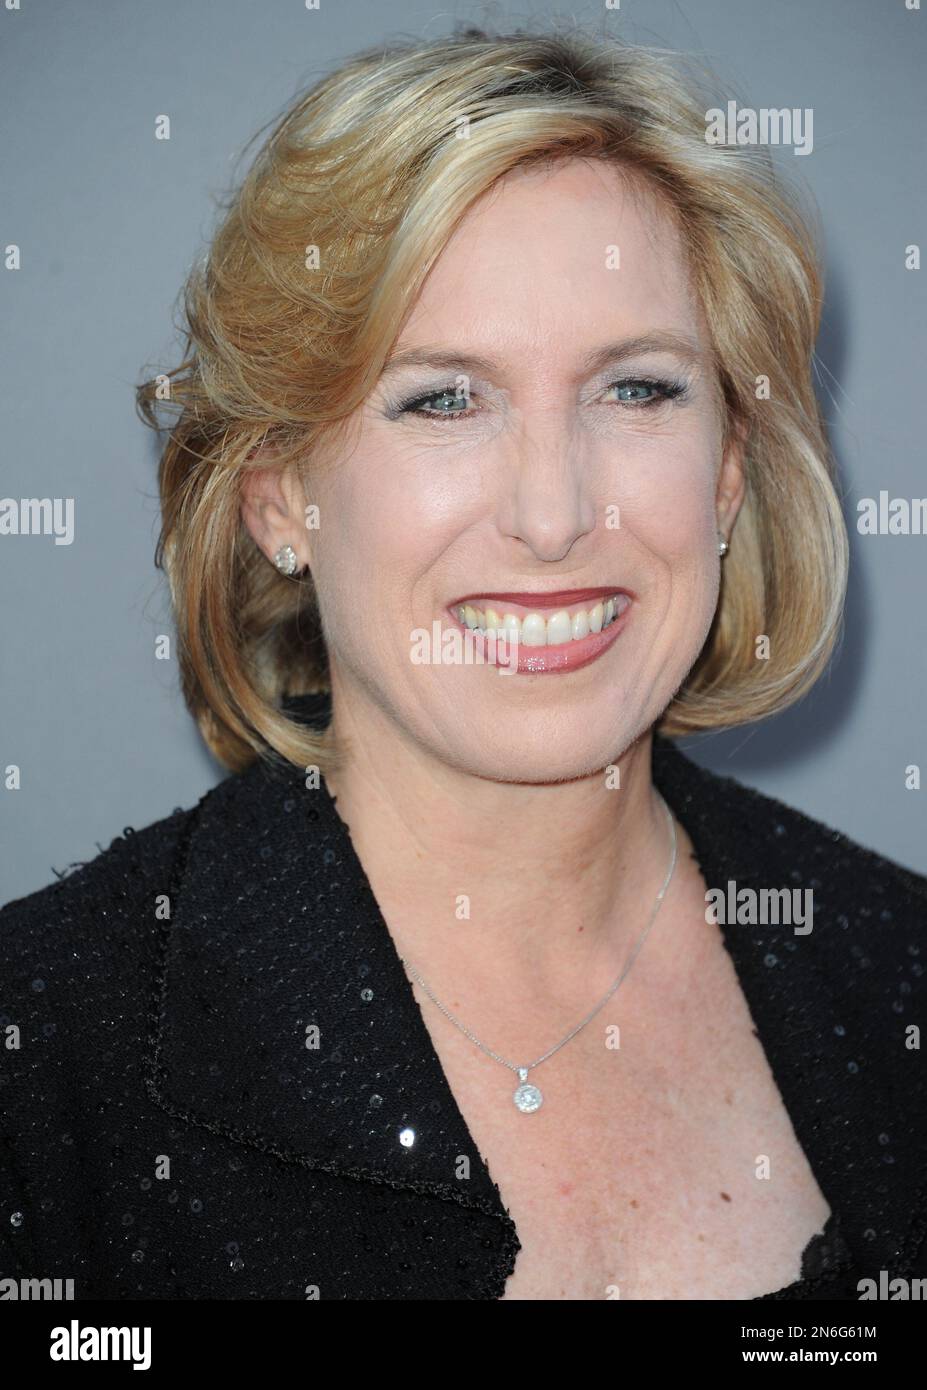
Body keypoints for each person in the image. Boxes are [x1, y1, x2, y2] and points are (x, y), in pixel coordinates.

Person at [2, 27, 925, 1302]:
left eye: (638, 389)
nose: (552, 516)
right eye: (442, 398)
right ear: (279, 498)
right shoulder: (44, 1055)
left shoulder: (897, 967)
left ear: (727, 471)